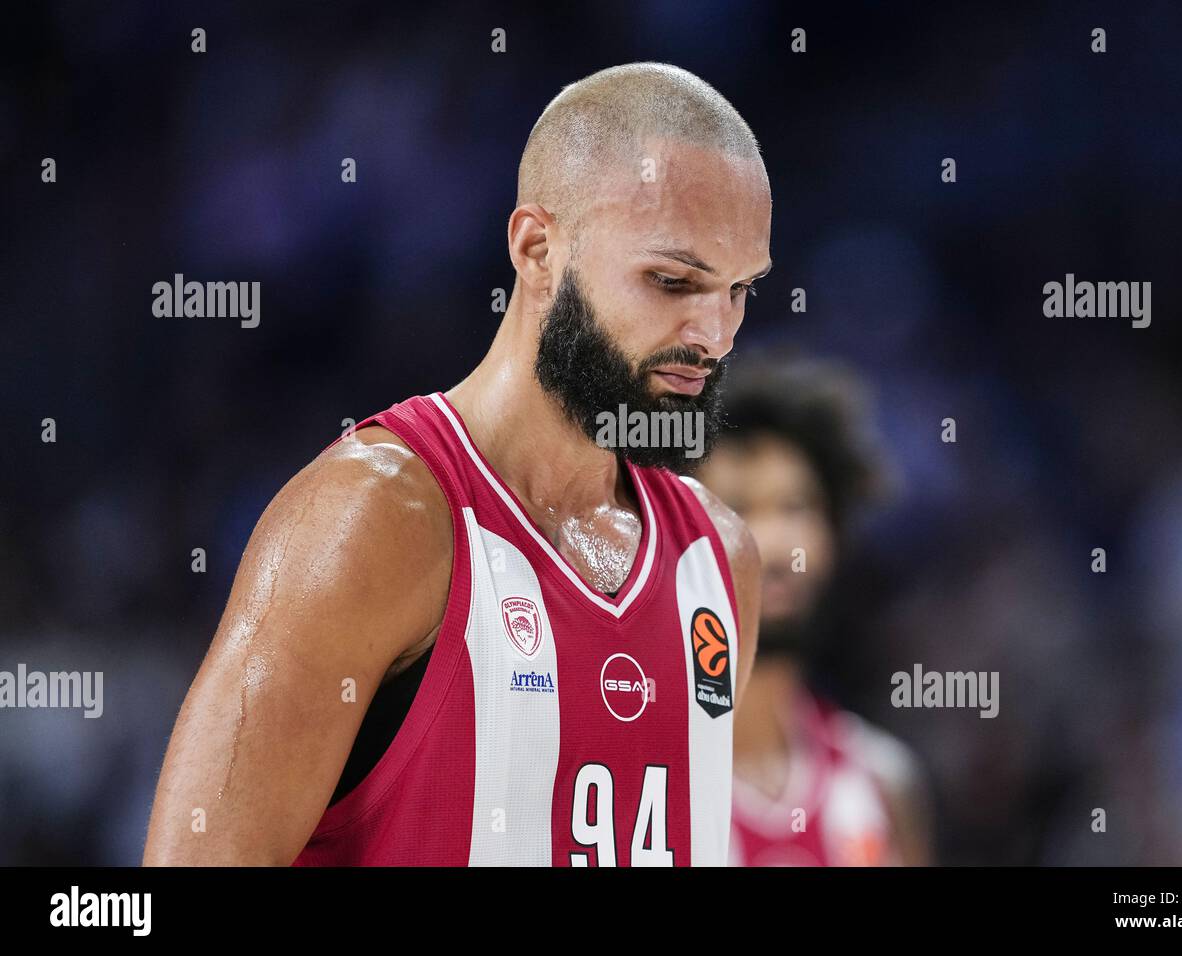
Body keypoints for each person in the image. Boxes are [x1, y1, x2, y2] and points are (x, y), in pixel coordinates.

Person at [143, 62, 772, 866]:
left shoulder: (719, 564)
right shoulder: (371, 524)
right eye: (672, 280)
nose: (715, 334)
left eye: (740, 289)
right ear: (538, 249)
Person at [691, 355, 932, 866]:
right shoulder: (633, 780)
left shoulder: (883, 781)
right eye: (736, 506)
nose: (774, 543)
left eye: (795, 507)